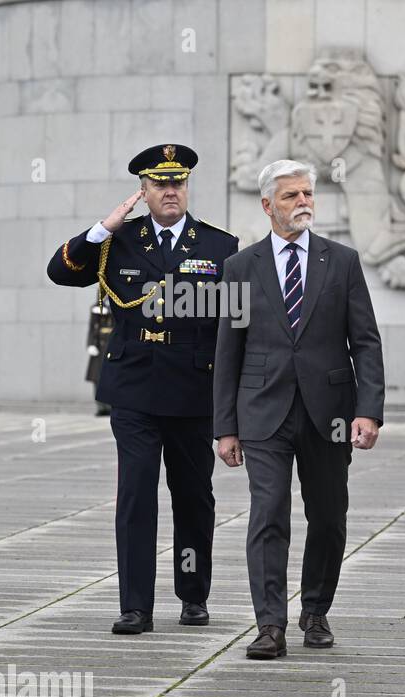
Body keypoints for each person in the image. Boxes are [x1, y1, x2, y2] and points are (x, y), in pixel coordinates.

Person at [46, 143, 238, 635]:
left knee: (194, 496)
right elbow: (60, 271)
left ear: (187, 187)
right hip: (133, 385)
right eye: (159, 183)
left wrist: (234, 404)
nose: (170, 191)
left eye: (178, 183)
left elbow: (237, 326)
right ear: (144, 190)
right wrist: (100, 229)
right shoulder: (117, 241)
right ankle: (135, 605)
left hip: (194, 387)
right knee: (135, 495)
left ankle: (193, 595)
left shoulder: (220, 246)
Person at [213, 159, 386, 662]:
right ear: (268, 206)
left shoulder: (344, 262)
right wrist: (225, 426)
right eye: (291, 196)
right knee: (268, 513)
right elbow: (229, 350)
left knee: (329, 516)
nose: (303, 203)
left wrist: (369, 410)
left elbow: (366, 342)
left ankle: (315, 611)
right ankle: (270, 624)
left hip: (330, 411)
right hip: (263, 410)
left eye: (308, 194)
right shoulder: (240, 268)